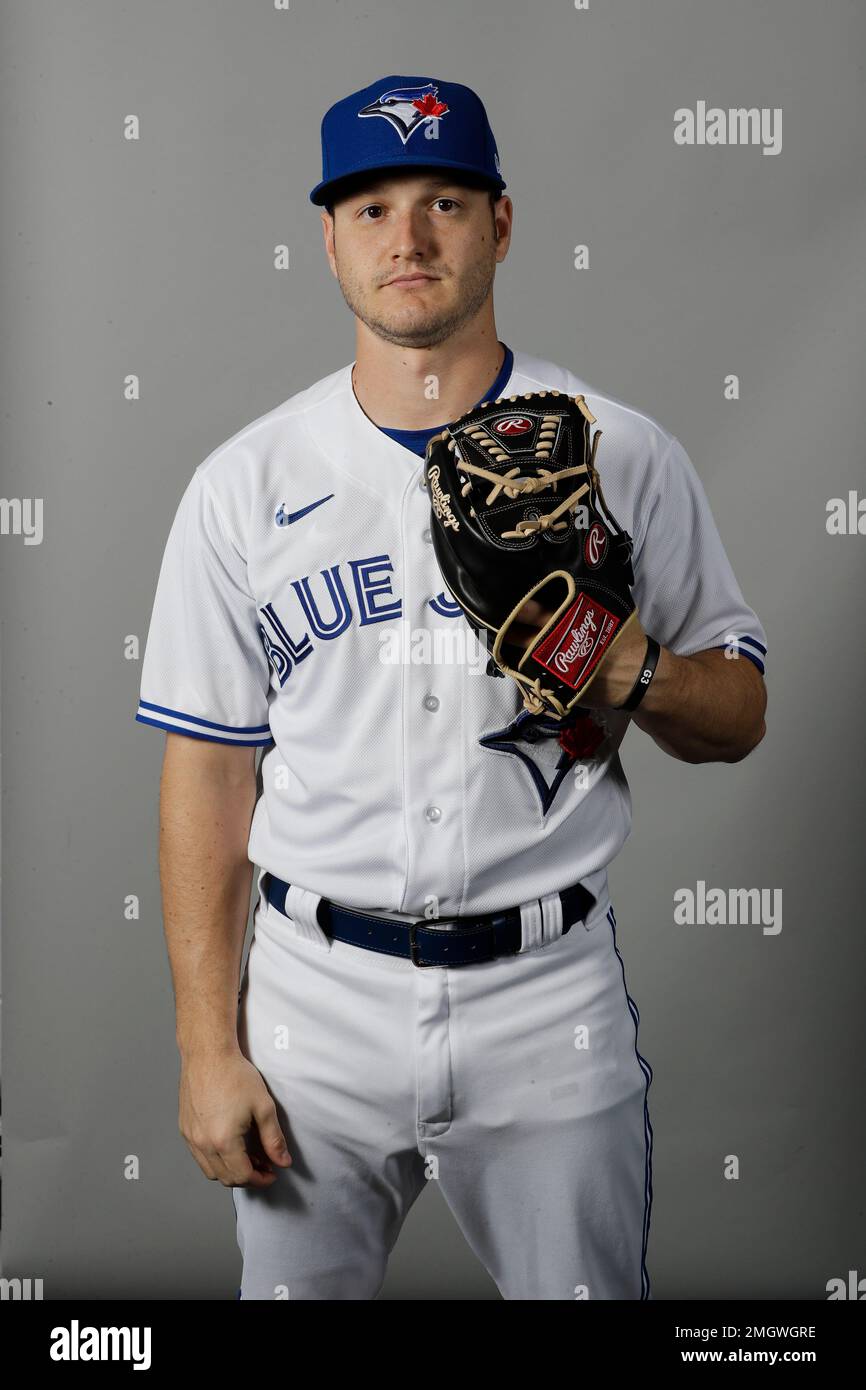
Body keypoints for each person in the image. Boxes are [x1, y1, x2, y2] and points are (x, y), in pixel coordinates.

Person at [135, 75, 767, 1300]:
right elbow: (206, 775)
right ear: (327, 241)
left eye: (442, 201)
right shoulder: (242, 483)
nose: (407, 238)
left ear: (502, 224)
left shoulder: (617, 450)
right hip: (313, 1003)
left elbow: (738, 716)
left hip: (546, 1000)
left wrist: (620, 659)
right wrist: (206, 1043)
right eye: (369, 208)